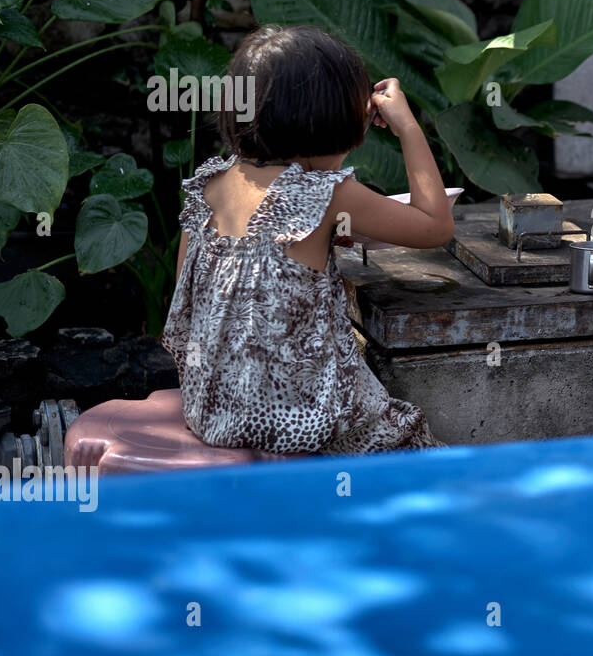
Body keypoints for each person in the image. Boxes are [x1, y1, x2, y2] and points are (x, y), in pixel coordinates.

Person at [161, 24, 456, 454]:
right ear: (323, 123)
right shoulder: (325, 192)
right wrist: (408, 126)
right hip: (301, 425)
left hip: (212, 411)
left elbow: (195, 296)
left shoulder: (209, 185)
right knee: (420, 453)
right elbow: (435, 225)